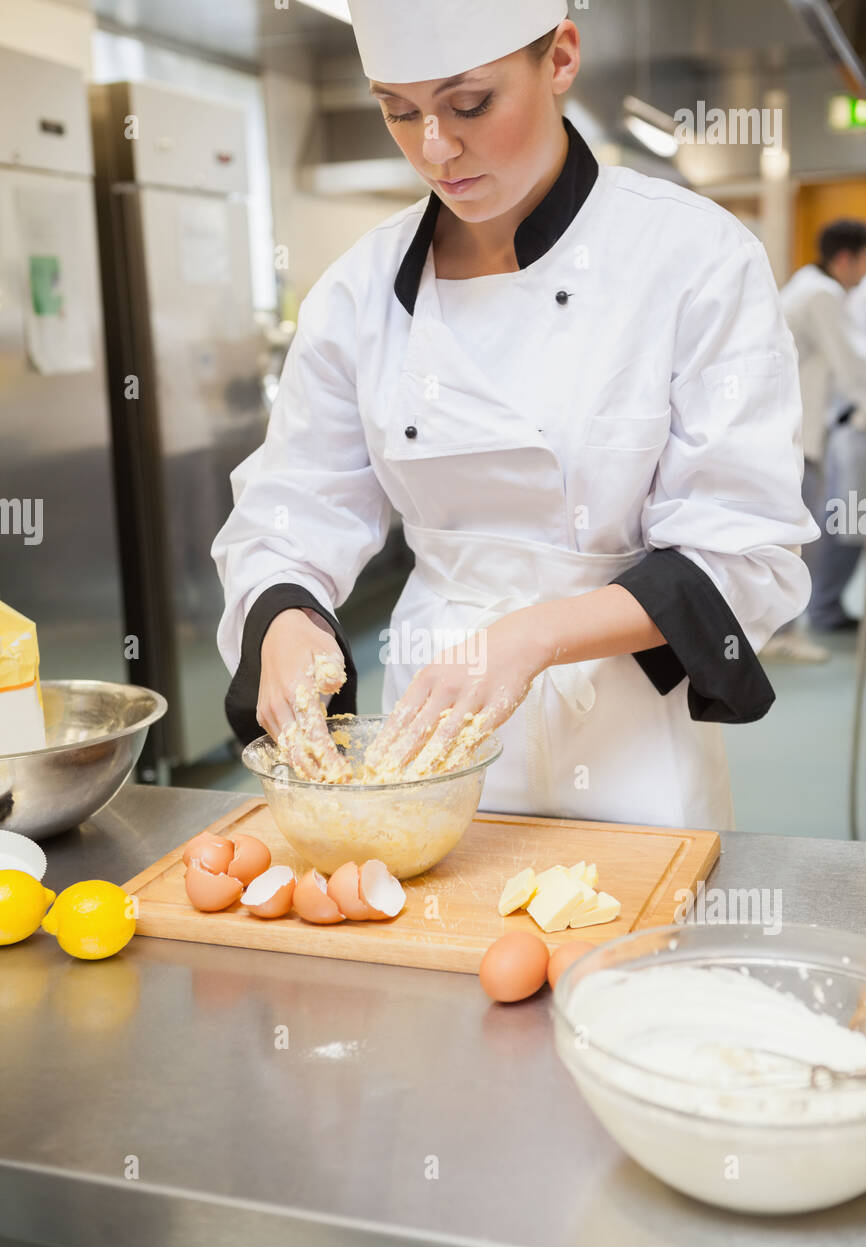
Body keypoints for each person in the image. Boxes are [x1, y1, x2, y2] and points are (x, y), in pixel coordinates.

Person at [212, 0, 818, 832]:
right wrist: (283, 616)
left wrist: (533, 637)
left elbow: (742, 549)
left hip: (628, 742)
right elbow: (291, 513)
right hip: (426, 740)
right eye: (398, 110)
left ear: (561, 57)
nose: (435, 148)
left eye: (470, 105)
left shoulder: (695, 259)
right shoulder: (356, 292)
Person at [766, 220, 866, 659]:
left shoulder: (808, 286)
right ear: (845, 258)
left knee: (797, 534)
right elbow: (851, 370)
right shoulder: (822, 295)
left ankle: (780, 630)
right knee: (799, 536)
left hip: (792, 432)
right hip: (796, 437)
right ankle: (780, 633)